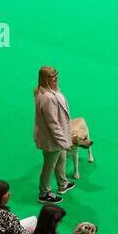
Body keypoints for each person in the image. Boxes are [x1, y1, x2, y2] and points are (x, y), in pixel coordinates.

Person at [33, 66, 75, 204]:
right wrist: (65, 142)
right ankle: (44, 193)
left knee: (61, 160)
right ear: (45, 79)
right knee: (49, 166)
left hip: (57, 138)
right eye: (52, 76)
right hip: (53, 140)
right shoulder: (47, 98)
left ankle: (63, 184)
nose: (56, 78)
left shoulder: (50, 91)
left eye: (56, 75)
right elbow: (53, 124)